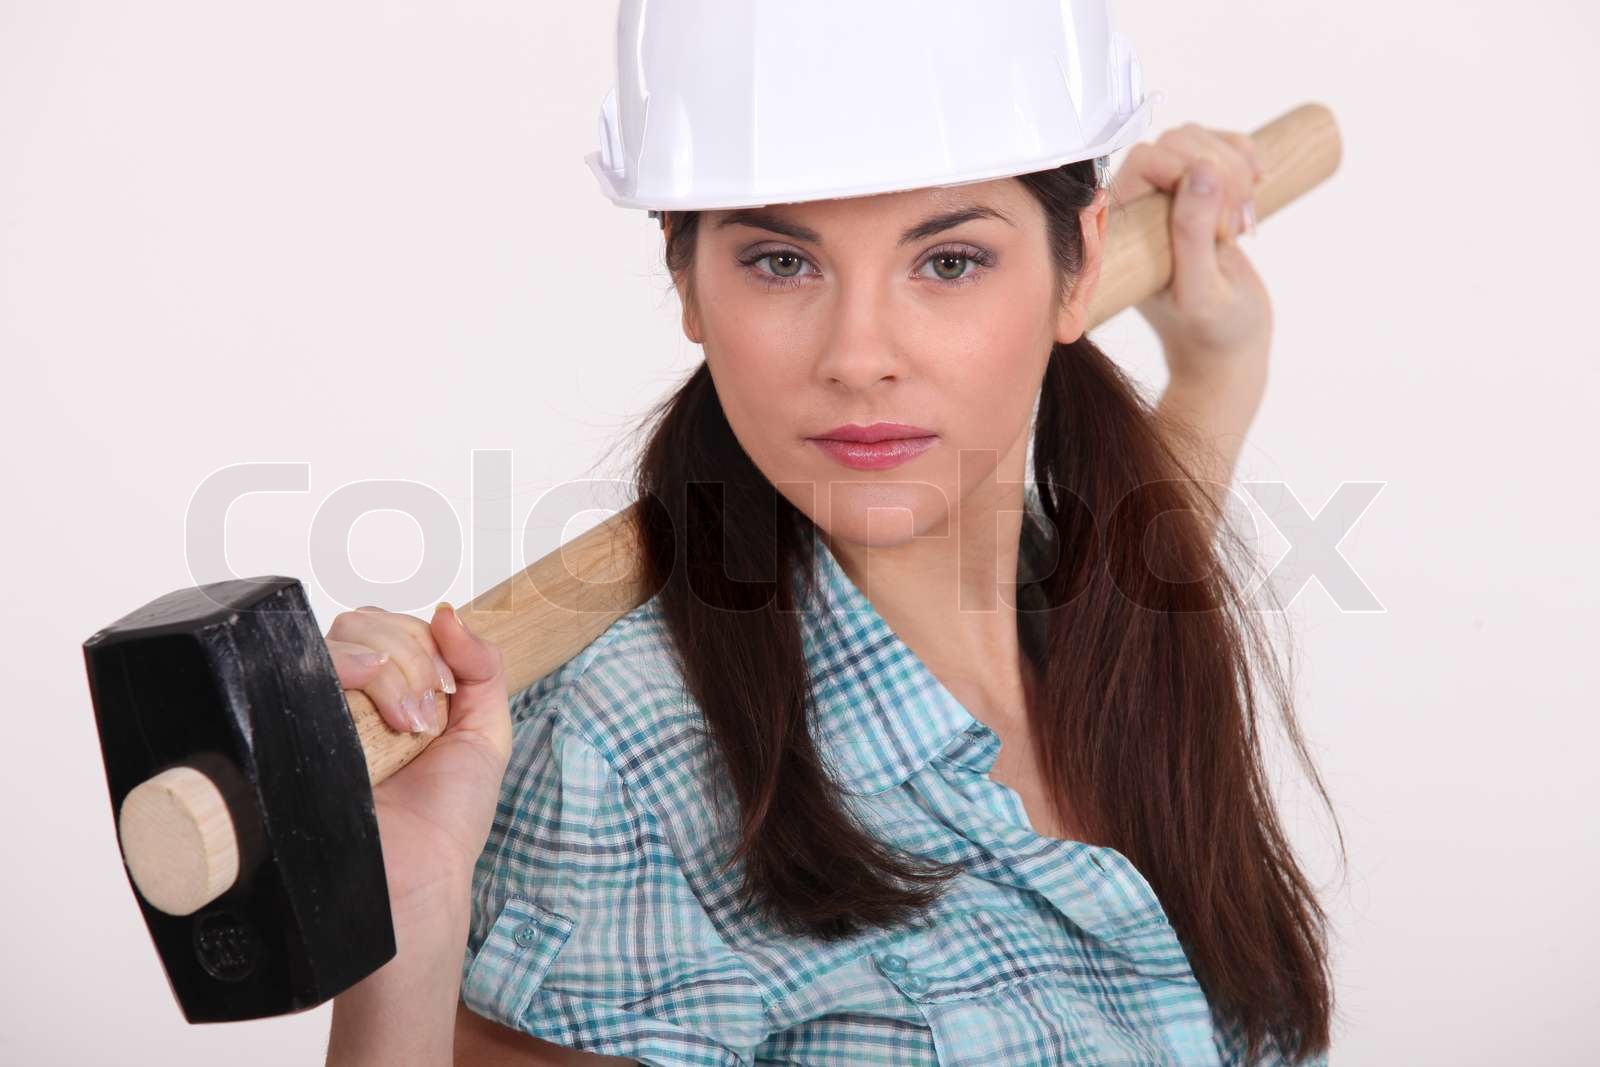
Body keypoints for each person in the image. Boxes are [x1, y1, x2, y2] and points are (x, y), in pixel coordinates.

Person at [322, 8, 1340, 1065]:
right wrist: (408, 923)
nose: (859, 356)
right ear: (686, 279)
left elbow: (1133, 579)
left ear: (1078, 267)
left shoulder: (1091, 640)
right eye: (779, 262)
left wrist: (1219, 366)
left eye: (948, 262)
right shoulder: (615, 759)